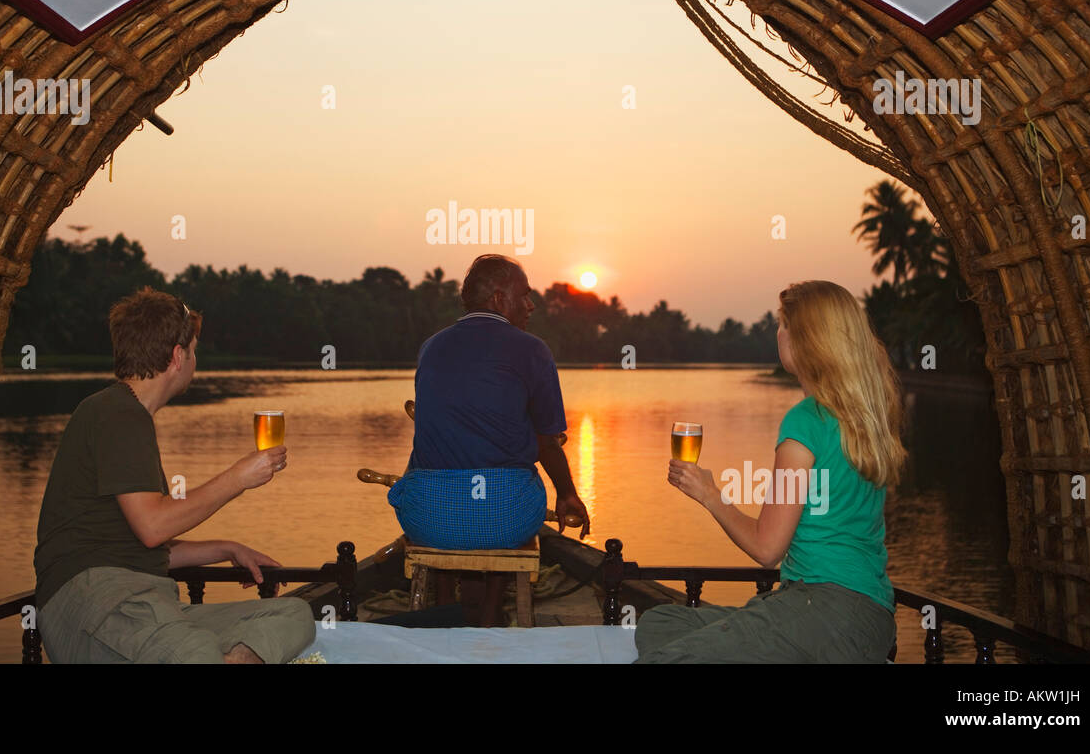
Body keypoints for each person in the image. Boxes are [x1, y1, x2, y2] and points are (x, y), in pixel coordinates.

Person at [34, 287, 314, 663]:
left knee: (292, 615)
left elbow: (140, 543)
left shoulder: (125, 415)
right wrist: (237, 478)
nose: (195, 360)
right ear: (178, 356)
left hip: (141, 605)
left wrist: (226, 548)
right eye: (194, 350)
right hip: (97, 604)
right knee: (196, 651)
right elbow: (152, 526)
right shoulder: (116, 412)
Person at [634, 280, 905, 663]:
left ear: (804, 339)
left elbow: (766, 548)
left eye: (782, 323)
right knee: (661, 622)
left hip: (824, 610)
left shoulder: (806, 421)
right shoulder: (867, 418)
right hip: (869, 617)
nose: (777, 332)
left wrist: (711, 494)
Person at [388, 254, 591, 624]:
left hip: (429, 517)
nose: (532, 305)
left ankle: (446, 605)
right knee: (503, 501)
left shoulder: (430, 347)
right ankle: (491, 609)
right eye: (525, 295)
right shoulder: (533, 350)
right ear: (499, 298)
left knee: (442, 493)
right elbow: (548, 443)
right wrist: (567, 494)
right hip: (506, 516)